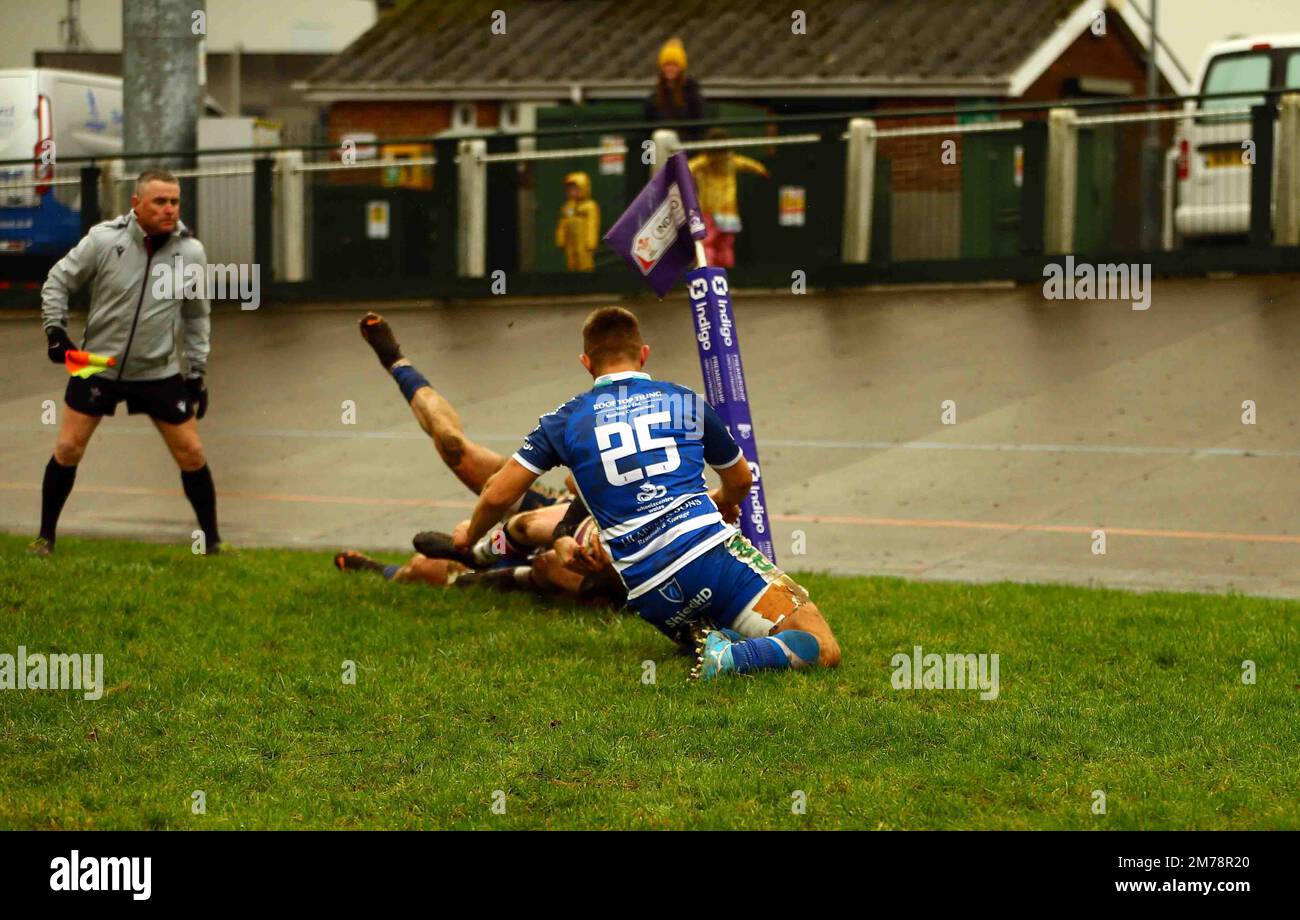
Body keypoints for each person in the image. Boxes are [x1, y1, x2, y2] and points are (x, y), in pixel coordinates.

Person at [452, 306, 842, 679]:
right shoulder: (684, 400)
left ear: (586, 363)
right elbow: (741, 480)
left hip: (651, 593)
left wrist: (468, 538)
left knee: (735, 624)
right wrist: (720, 504)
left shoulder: (562, 420)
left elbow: (496, 495)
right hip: (715, 562)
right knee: (820, 645)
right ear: (643, 354)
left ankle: (721, 646)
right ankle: (733, 656)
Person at [31, 169, 221, 556]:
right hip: (97, 366)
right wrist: (55, 331)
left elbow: (196, 315)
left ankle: (213, 543)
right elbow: (57, 281)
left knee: (193, 454)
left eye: (175, 201)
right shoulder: (104, 240)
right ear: (136, 203)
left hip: (158, 372)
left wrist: (197, 371)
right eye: (160, 201)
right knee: (67, 448)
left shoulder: (191, 253)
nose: (170, 210)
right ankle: (45, 538)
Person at [688, 128, 770, 269]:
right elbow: (752, 165)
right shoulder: (731, 160)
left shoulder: (703, 162)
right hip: (728, 211)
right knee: (724, 244)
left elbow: (687, 168)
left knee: (708, 242)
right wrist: (763, 171)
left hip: (709, 210)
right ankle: (723, 274)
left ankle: (707, 270)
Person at [644, 38, 704, 140]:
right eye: (667, 65)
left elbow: (699, 126)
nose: (670, 69)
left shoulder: (692, 95)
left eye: (674, 65)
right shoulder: (655, 97)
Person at [555, 172, 600, 272]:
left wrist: (591, 241)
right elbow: (562, 223)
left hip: (583, 242)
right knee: (571, 261)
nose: (573, 192)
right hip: (570, 242)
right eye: (570, 190)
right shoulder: (568, 206)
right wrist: (561, 238)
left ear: (584, 188)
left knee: (584, 262)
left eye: (576, 189)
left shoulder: (590, 206)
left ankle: (586, 279)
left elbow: (592, 224)